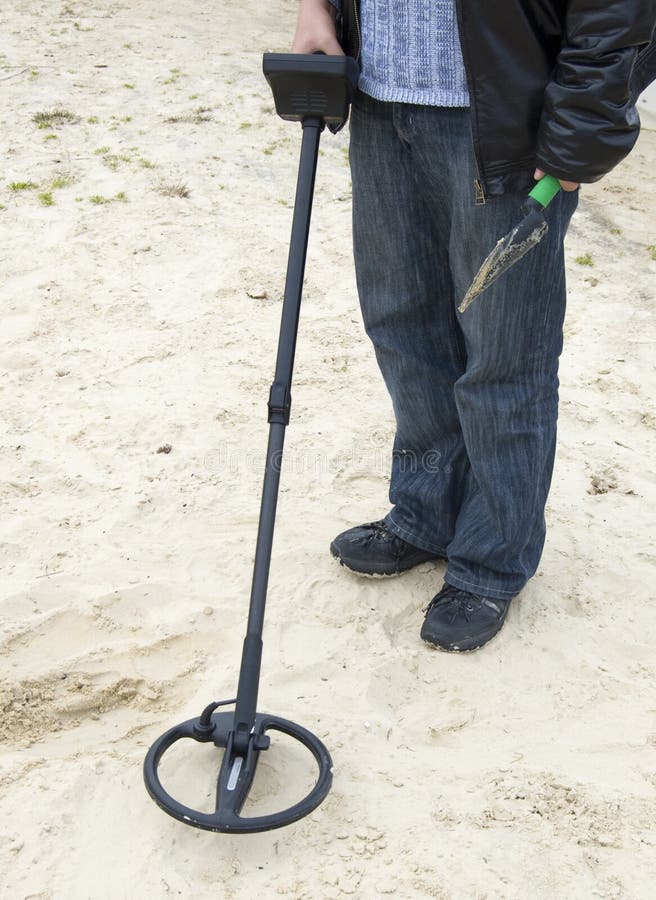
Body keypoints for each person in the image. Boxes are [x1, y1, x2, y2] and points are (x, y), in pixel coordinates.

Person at [291, 1, 656, 651]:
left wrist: (585, 118)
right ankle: (427, 511)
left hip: (504, 117)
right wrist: (316, 7)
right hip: (378, 95)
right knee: (404, 328)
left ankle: (492, 559)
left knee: (504, 353)